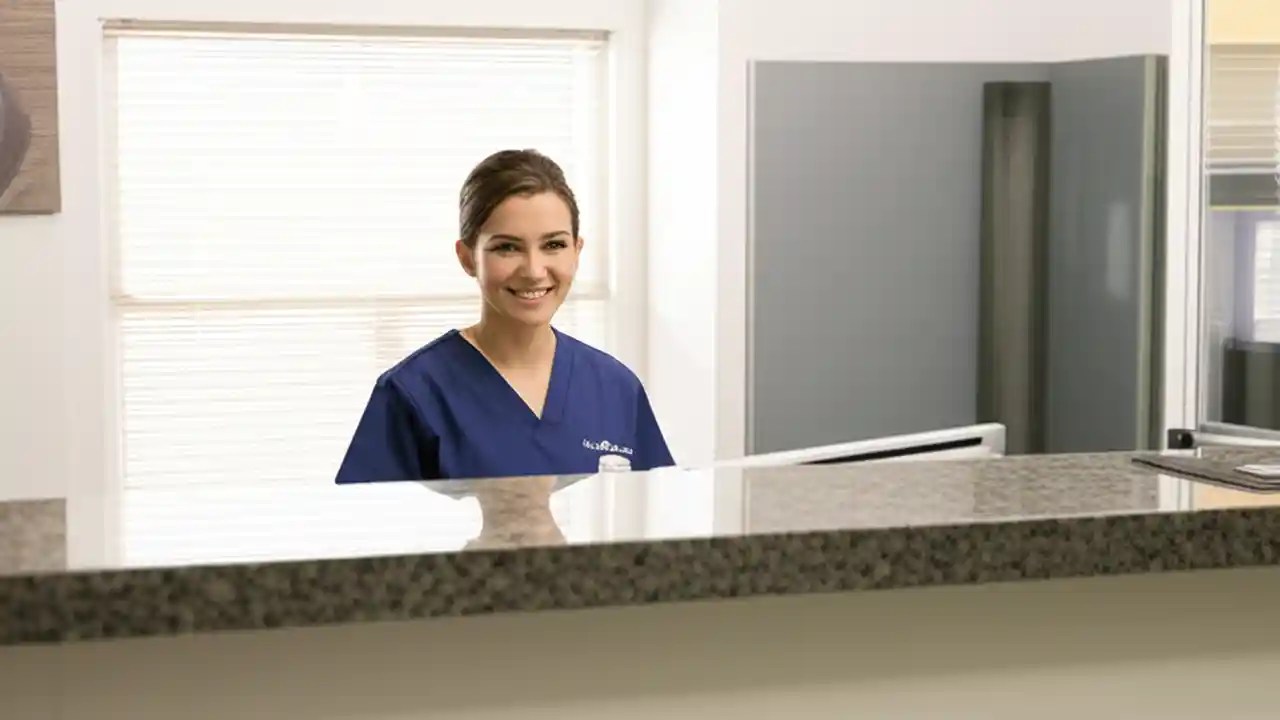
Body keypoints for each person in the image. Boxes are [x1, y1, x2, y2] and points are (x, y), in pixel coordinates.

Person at [335, 149, 674, 483]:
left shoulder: (616, 388)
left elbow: (663, 521)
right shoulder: (413, 394)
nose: (533, 270)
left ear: (577, 251)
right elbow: (368, 526)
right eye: (507, 247)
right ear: (467, 258)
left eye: (553, 245)